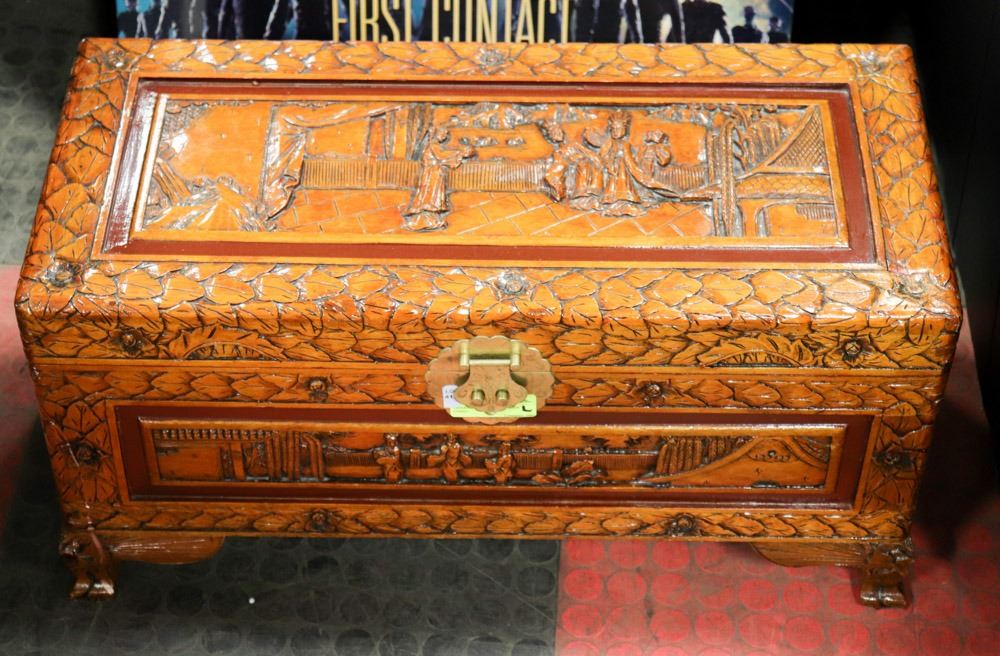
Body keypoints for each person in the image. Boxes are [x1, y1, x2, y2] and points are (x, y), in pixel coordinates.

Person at [403, 128, 474, 231]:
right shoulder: (433, 145)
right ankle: (424, 220)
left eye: (445, 134)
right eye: (442, 133)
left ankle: (430, 220)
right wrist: (459, 153)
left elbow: (443, 158)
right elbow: (441, 156)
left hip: (435, 172)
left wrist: (459, 155)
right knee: (429, 195)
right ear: (436, 133)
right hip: (431, 173)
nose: (444, 137)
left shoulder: (434, 145)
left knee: (431, 195)